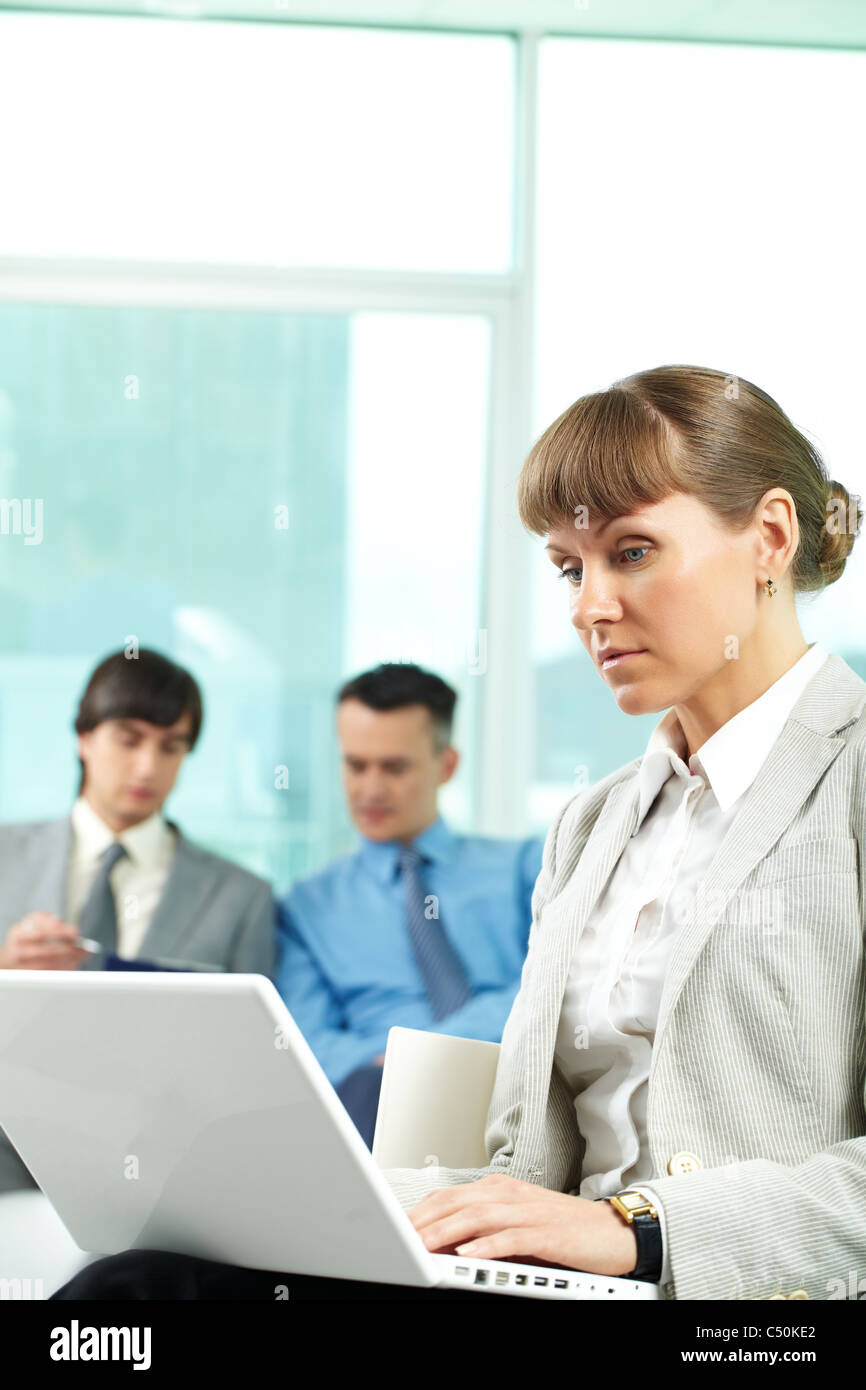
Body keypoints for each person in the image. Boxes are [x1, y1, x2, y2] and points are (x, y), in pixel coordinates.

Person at [52, 363, 865, 1301]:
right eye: (569, 566)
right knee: (139, 1282)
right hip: (552, 1283)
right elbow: (523, 1168)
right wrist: (320, 1202)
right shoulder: (593, 824)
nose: (588, 606)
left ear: (769, 536)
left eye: (632, 552)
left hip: (747, 1313)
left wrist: (638, 1229)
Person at [0, 647, 275, 1193]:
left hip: (160, 1178)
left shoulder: (242, 897)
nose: (148, 766)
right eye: (129, 739)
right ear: (83, 737)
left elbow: (255, 1069)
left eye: (171, 746)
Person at [276, 662, 544, 1146]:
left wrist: (423, 1055)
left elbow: (551, 991)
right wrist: (405, 1068)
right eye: (356, 765)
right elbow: (305, 1045)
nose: (371, 789)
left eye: (395, 767)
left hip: (521, 1105)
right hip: (377, 1122)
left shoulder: (525, 868)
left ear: (447, 765)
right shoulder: (306, 908)